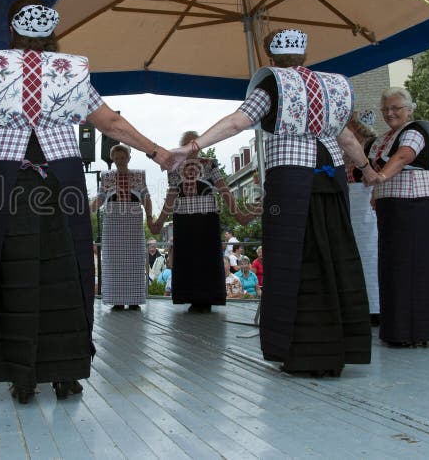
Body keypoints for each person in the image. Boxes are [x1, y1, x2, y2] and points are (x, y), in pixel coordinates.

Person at [0, 0, 171, 404]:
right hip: (63, 178)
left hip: (10, 179)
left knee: (11, 270)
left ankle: (22, 373)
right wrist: (157, 151)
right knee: (68, 269)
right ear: (51, 33)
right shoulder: (70, 72)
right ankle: (65, 371)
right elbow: (110, 122)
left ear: (11, 30)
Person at [168, 28, 374, 376]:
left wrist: (193, 146)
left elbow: (237, 122)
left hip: (292, 178)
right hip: (331, 177)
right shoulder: (331, 87)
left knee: (292, 257)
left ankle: (301, 349)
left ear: (270, 58)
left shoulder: (272, 86)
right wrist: (369, 171)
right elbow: (347, 138)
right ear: (305, 55)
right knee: (334, 254)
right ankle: (340, 346)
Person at [368, 86, 429, 347]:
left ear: (409, 109)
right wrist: (377, 190)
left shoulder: (414, 132)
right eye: (386, 109)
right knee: (394, 266)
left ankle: (417, 329)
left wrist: (382, 177)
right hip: (391, 206)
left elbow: (404, 156)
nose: (390, 113)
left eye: (396, 108)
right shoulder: (384, 137)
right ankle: (397, 328)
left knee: (413, 266)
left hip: (413, 206)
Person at [149, 131, 254, 313]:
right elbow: (171, 195)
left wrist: (238, 214)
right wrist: (159, 222)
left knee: (207, 259)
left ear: (197, 146)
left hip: (206, 219)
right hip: (184, 219)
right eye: (188, 144)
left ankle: (206, 298)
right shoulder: (174, 166)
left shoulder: (209, 164)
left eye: (194, 144)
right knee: (188, 259)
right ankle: (192, 298)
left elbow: (223, 189)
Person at [91, 144, 152, 311]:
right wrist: (86, 210)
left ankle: (134, 300)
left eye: (123, 158)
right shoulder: (106, 176)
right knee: (113, 262)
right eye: (117, 158)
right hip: (112, 221)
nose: (119, 161)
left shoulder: (139, 175)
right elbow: (100, 197)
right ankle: (116, 300)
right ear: (113, 159)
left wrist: (150, 218)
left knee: (135, 260)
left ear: (129, 158)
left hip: (133, 222)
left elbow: (146, 198)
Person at [344, 111, 381, 325]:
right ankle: (360, 304)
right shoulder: (347, 155)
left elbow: (376, 179)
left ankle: (374, 306)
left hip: (367, 214)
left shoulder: (370, 152)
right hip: (353, 213)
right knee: (356, 257)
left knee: (370, 257)